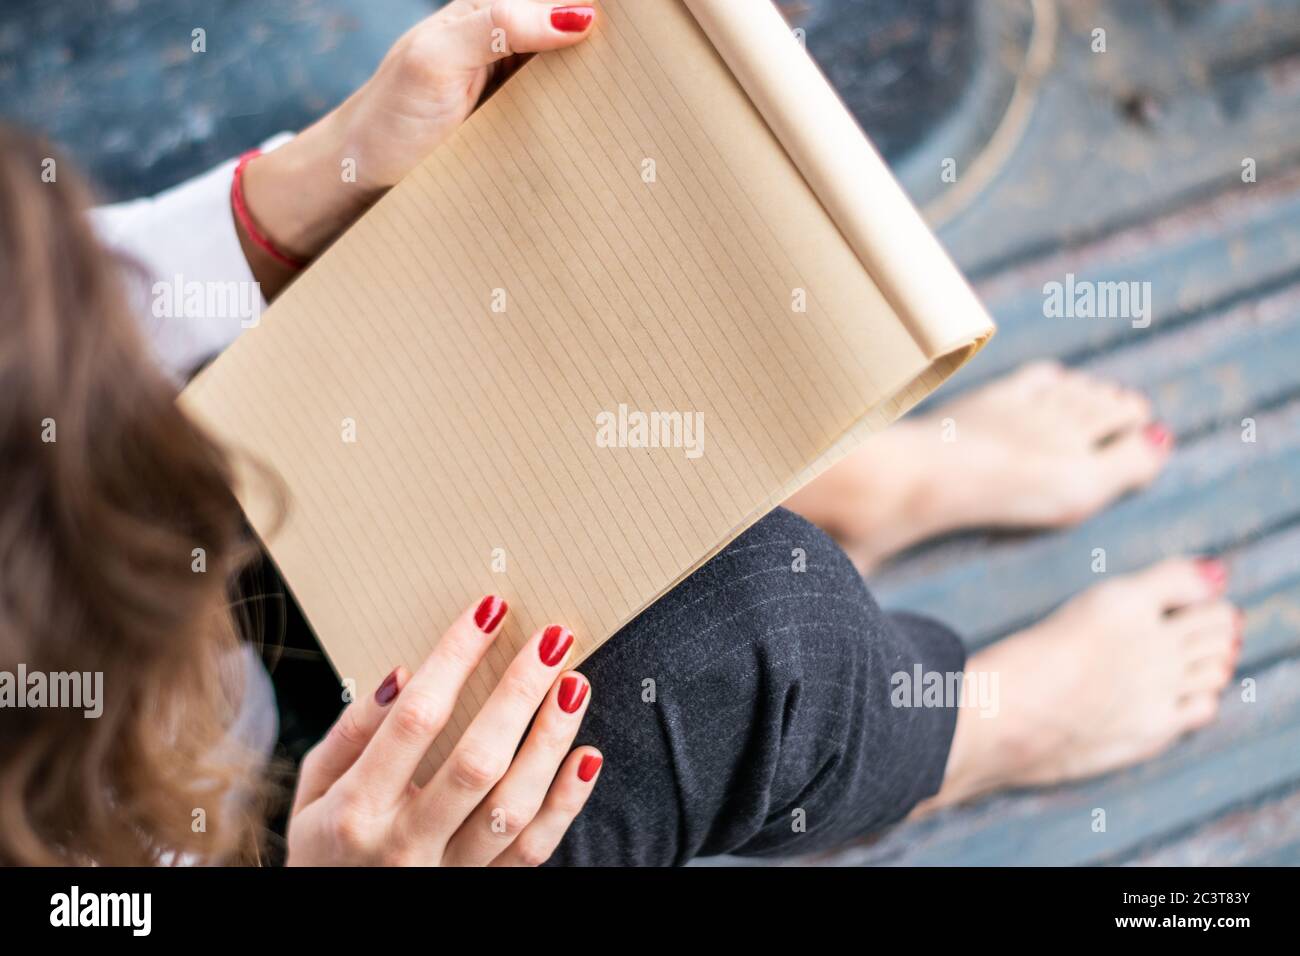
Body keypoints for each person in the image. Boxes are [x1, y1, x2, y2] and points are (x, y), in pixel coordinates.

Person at [0, 0, 1241, 866]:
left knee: (525, 257)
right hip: (245, 817)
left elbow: (75, 292)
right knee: (754, 638)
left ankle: (834, 477)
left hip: (176, 576)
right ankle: (981, 731)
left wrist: (338, 168)